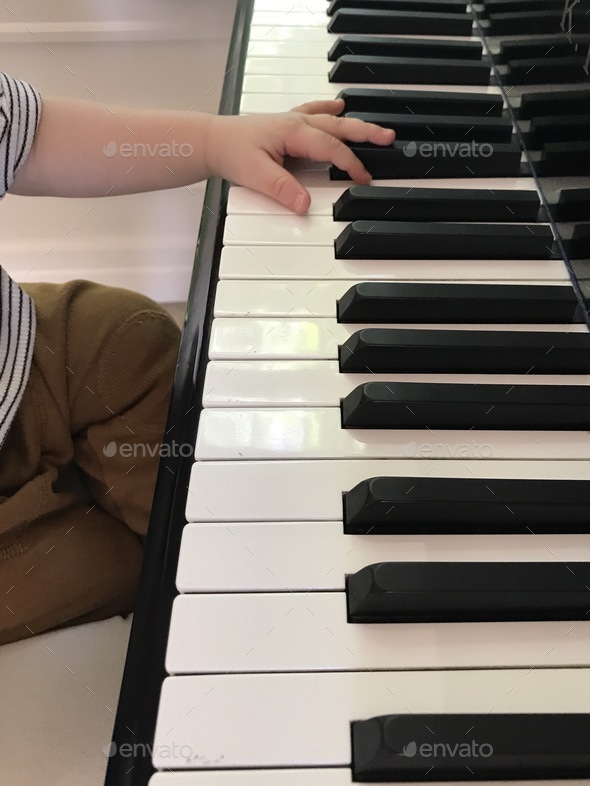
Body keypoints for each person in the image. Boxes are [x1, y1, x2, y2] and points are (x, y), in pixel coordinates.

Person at [0, 70, 394, 645]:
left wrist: (215, 142)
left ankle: (177, 532)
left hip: (24, 346)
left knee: (130, 336)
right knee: (90, 567)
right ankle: (157, 562)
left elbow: (32, 139)